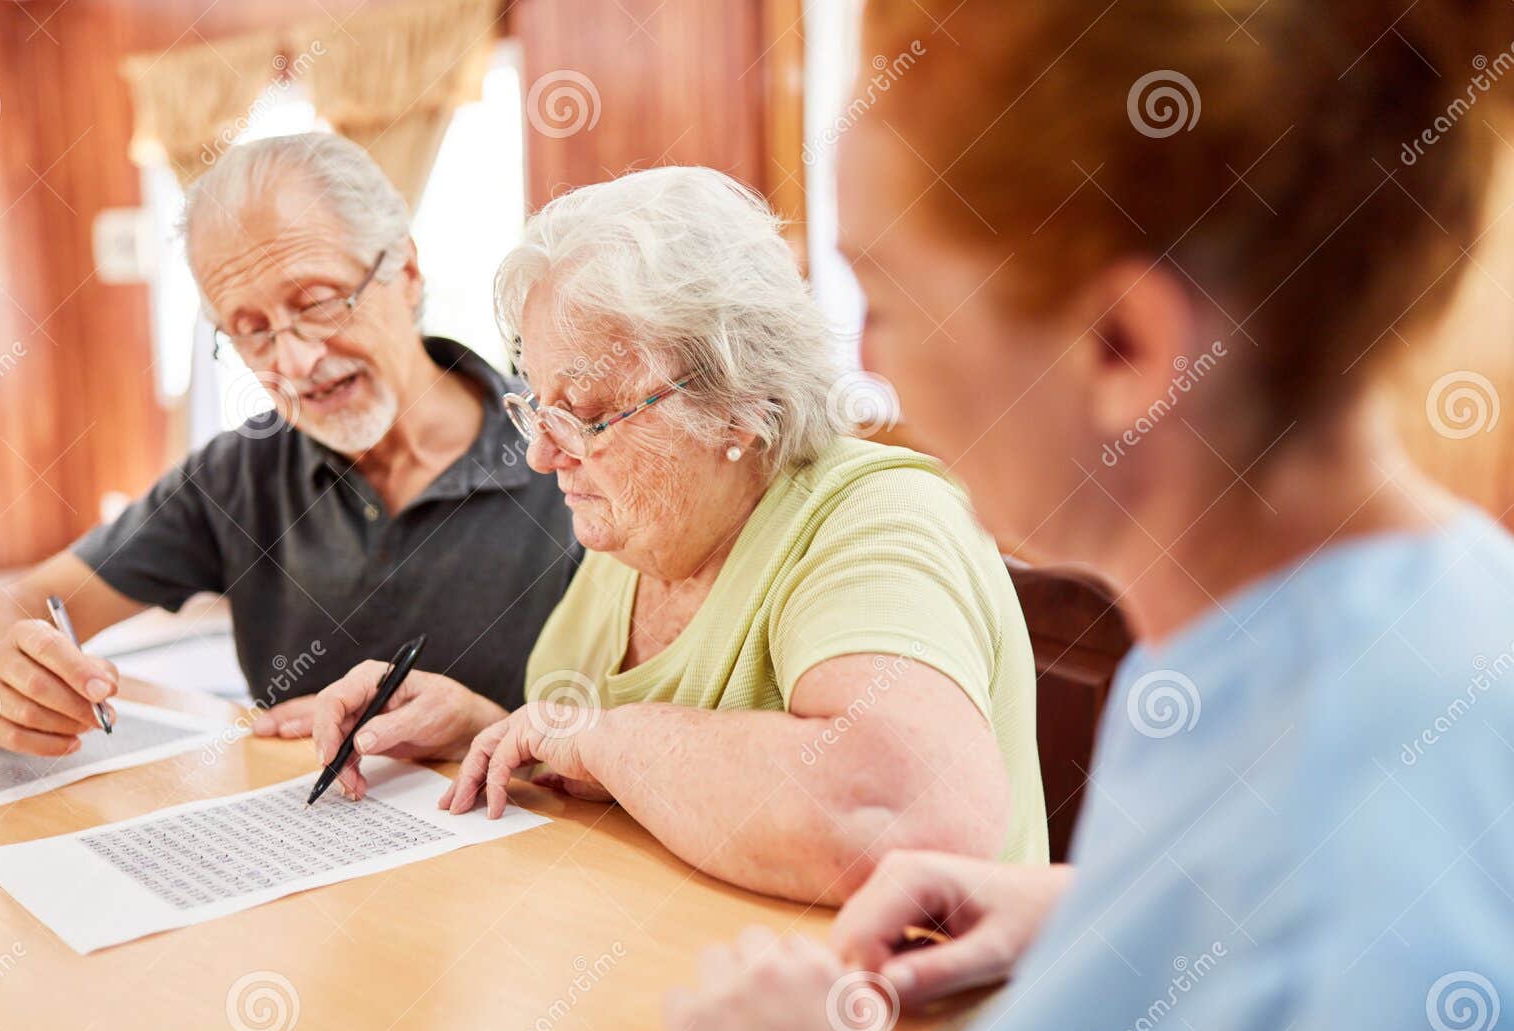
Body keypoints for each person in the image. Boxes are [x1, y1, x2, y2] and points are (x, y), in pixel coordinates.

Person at [666, 0, 1514, 1031]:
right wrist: (1094, 917)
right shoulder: (1379, 617)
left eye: (882, 294)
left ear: (1122, 346)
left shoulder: (1364, 864)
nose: (870, 361)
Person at [309, 166, 1046, 905]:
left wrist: (601, 736)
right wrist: (495, 732)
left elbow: (907, 814)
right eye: (538, 405)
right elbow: (641, 794)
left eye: (585, 412)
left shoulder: (878, 516)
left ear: (737, 402)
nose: (541, 454)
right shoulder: (641, 529)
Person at [0, 134, 576, 756]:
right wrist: (8, 670)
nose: (295, 362)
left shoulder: (572, 448)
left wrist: (491, 727)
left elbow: (652, 724)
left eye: (321, 304)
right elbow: (13, 607)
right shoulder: (240, 472)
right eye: (250, 333)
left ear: (405, 271)